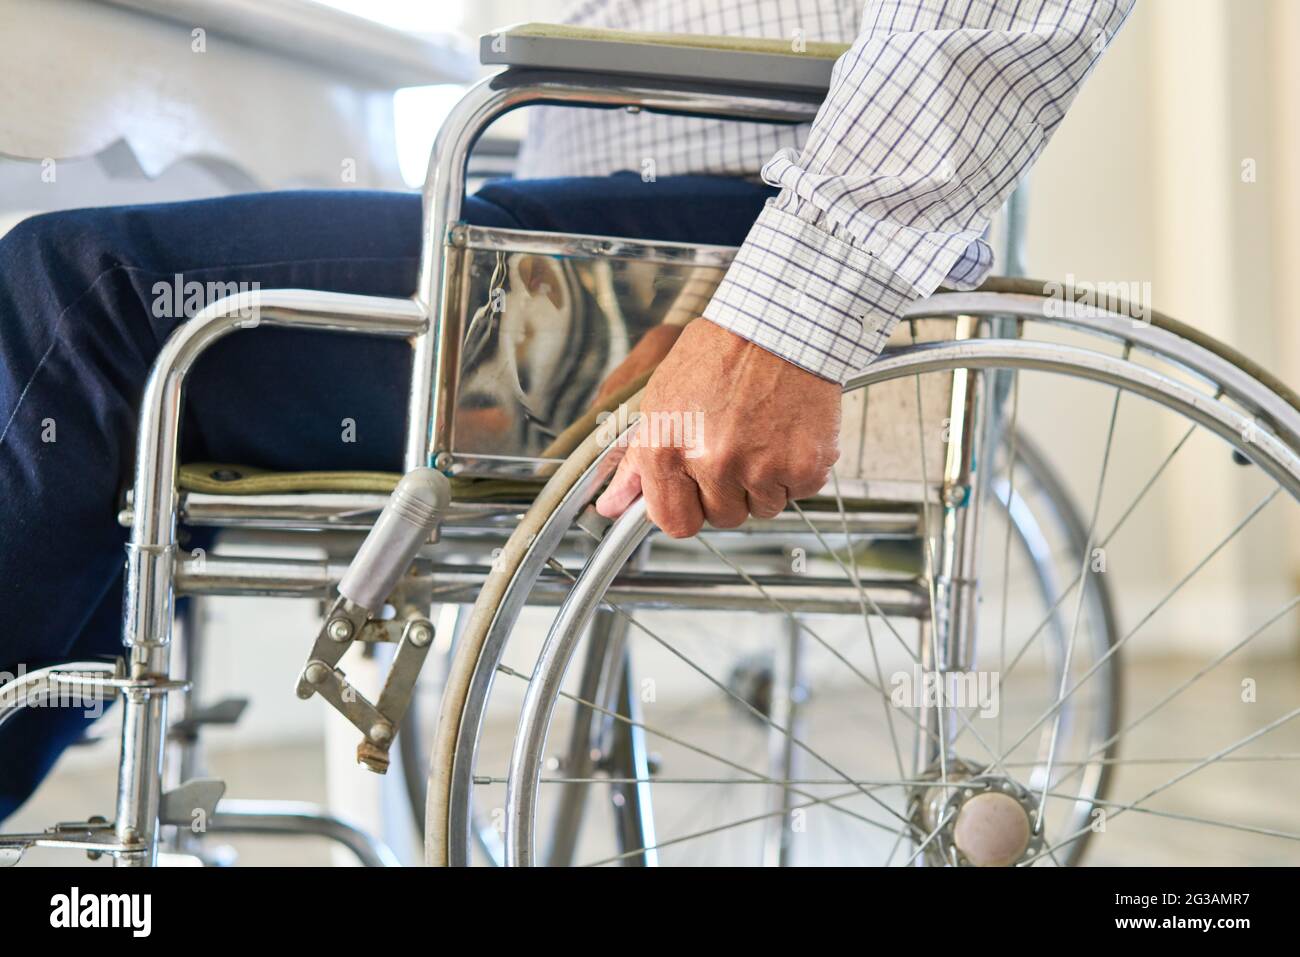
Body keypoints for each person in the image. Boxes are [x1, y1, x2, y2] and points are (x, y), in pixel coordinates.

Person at [0, 0, 1134, 822]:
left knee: (83, 297)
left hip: (735, 227)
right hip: (651, 189)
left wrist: (792, 311)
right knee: (139, 373)